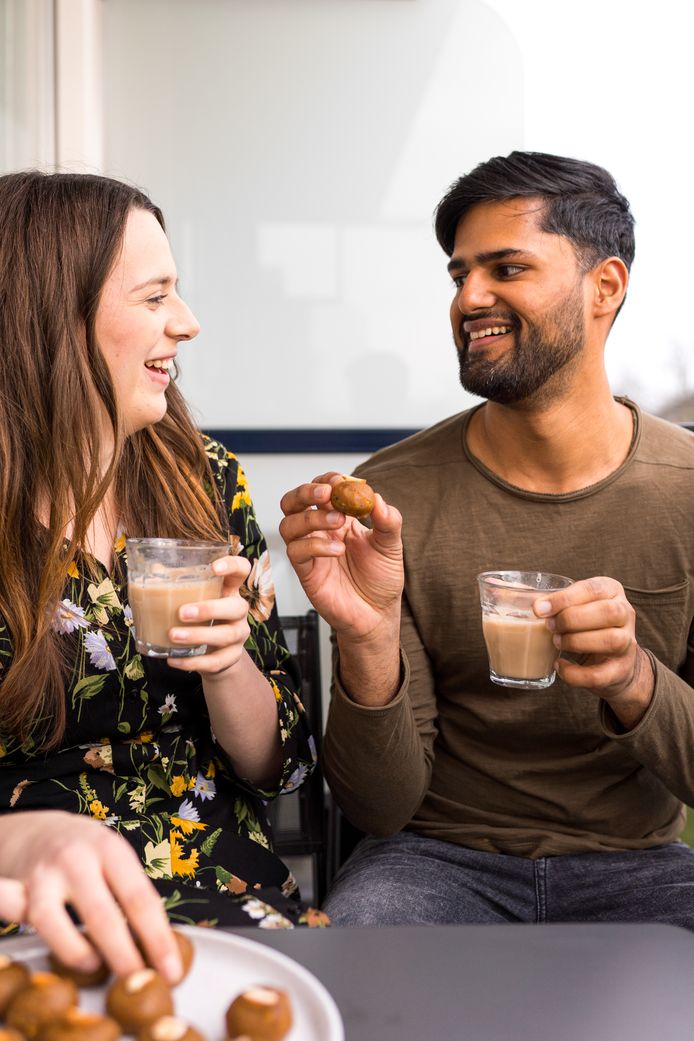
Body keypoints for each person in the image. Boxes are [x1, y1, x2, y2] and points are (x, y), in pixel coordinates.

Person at [279, 151, 694, 928]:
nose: (471, 297)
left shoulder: (686, 491)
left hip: (640, 864)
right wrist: (366, 635)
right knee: (362, 945)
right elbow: (380, 803)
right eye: (459, 273)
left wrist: (635, 678)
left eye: (506, 268)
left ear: (604, 287)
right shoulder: (393, 495)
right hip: (435, 861)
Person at [0, 171, 326, 982]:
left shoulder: (205, 478)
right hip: (35, 910)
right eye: (154, 297)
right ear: (52, 321)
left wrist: (228, 665)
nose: (187, 322)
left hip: (223, 889)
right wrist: (27, 837)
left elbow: (279, 765)